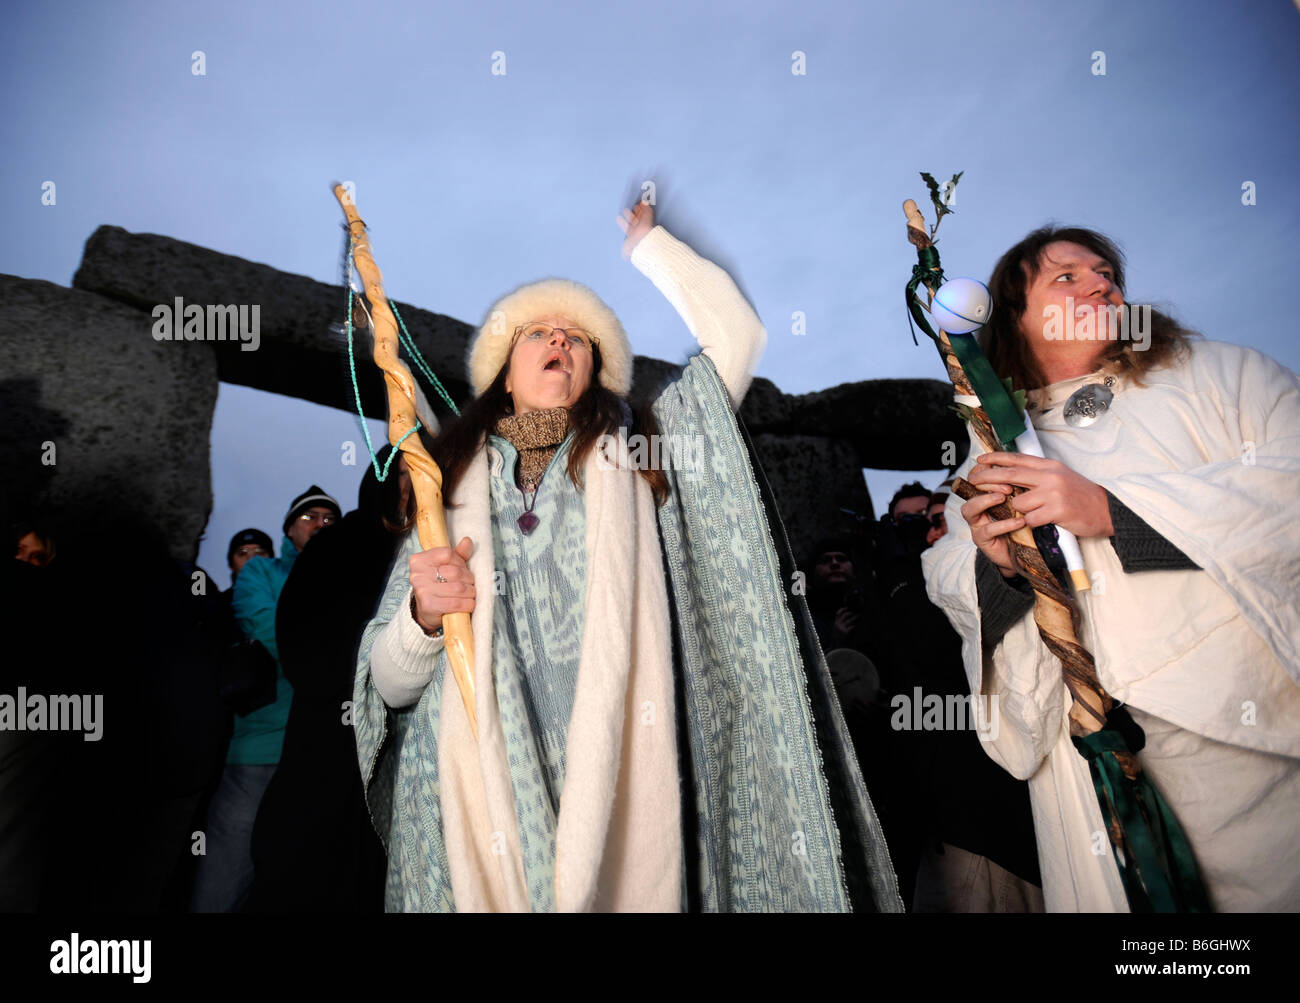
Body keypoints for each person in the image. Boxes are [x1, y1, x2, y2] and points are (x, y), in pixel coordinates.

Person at [354, 199, 901, 913]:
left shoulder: (649, 457)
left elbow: (736, 336)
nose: (562, 340)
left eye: (580, 338)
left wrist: (653, 248)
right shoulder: (442, 492)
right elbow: (388, 689)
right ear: (506, 374)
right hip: (484, 809)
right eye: (541, 333)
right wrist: (423, 620)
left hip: (627, 785)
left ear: (596, 371)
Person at [922, 225, 1300, 911]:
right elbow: (946, 571)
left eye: (1107, 274)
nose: (1102, 284)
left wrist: (1112, 511)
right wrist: (1001, 566)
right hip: (1094, 759)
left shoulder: (1226, 378)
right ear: (1013, 314)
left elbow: (1290, 487)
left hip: (1250, 744)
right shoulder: (988, 455)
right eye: (1066, 276)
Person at [246, 455, 406, 912]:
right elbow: (297, 637)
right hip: (328, 733)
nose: (410, 488)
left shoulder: (423, 547)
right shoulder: (339, 544)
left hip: (395, 744)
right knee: (305, 860)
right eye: (401, 475)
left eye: (422, 474)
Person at [190, 486, 340, 911]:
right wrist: (333, 666)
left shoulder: (348, 577)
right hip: (262, 746)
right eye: (308, 517)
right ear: (289, 529)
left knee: (300, 876)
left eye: (330, 519)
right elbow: (266, 626)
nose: (319, 524)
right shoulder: (263, 573)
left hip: (324, 751)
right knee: (224, 873)